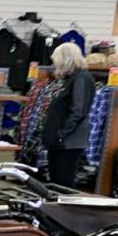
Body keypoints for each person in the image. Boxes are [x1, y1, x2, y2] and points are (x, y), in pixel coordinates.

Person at [42, 42, 94, 188]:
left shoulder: (81, 78)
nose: (55, 64)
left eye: (57, 61)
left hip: (69, 141)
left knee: (63, 183)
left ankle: (63, 210)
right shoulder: (70, 79)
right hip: (61, 140)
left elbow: (79, 110)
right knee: (56, 181)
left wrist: (61, 133)